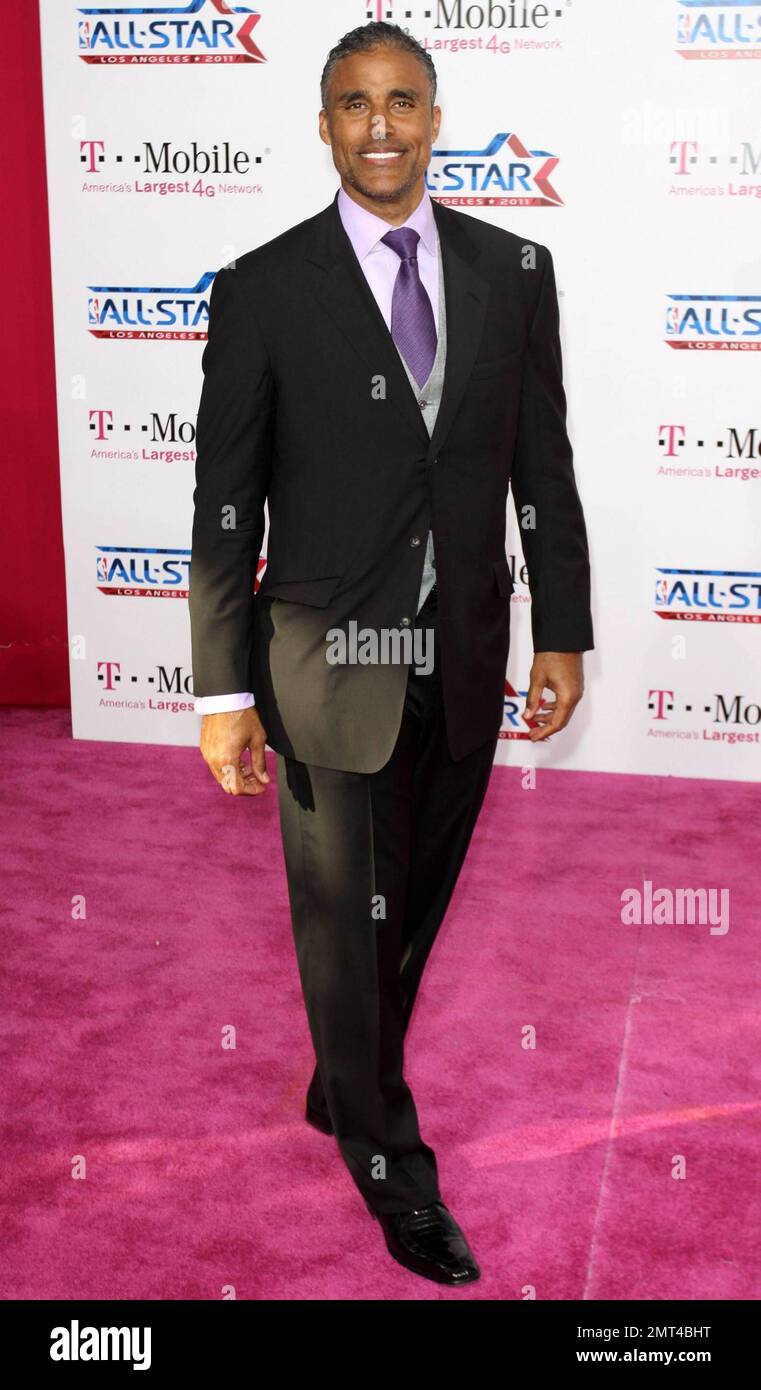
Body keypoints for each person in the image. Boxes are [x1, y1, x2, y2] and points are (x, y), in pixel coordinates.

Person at [188, 20, 593, 1287]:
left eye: (402, 100)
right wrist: (221, 688)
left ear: (434, 116)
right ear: (322, 124)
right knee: (341, 927)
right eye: (353, 102)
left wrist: (562, 628)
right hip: (322, 669)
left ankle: (343, 1067)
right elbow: (224, 500)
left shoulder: (510, 269)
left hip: (463, 653)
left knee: (409, 906)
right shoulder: (263, 287)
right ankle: (387, 1165)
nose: (379, 123)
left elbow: (542, 462)